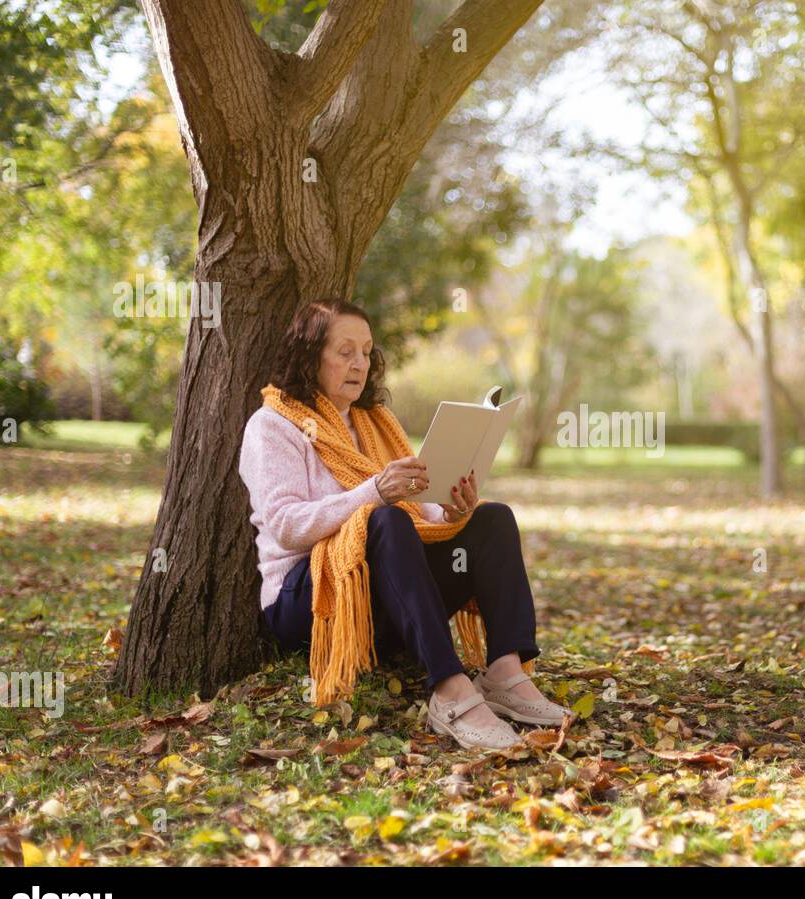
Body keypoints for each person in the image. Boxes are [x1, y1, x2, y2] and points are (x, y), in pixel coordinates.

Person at [237, 297, 571, 750]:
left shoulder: (376, 422)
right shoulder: (272, 425)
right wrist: (373, 492)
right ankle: (450, 691)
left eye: (367, 351)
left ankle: (505, 673)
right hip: (311, 602)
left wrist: (452, 511)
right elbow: (285, 525)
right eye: (345, 351)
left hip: (385, 599)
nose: (360, 363)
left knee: (491, 518)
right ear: (309, 354)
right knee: (385, 519)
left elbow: (418, 507)